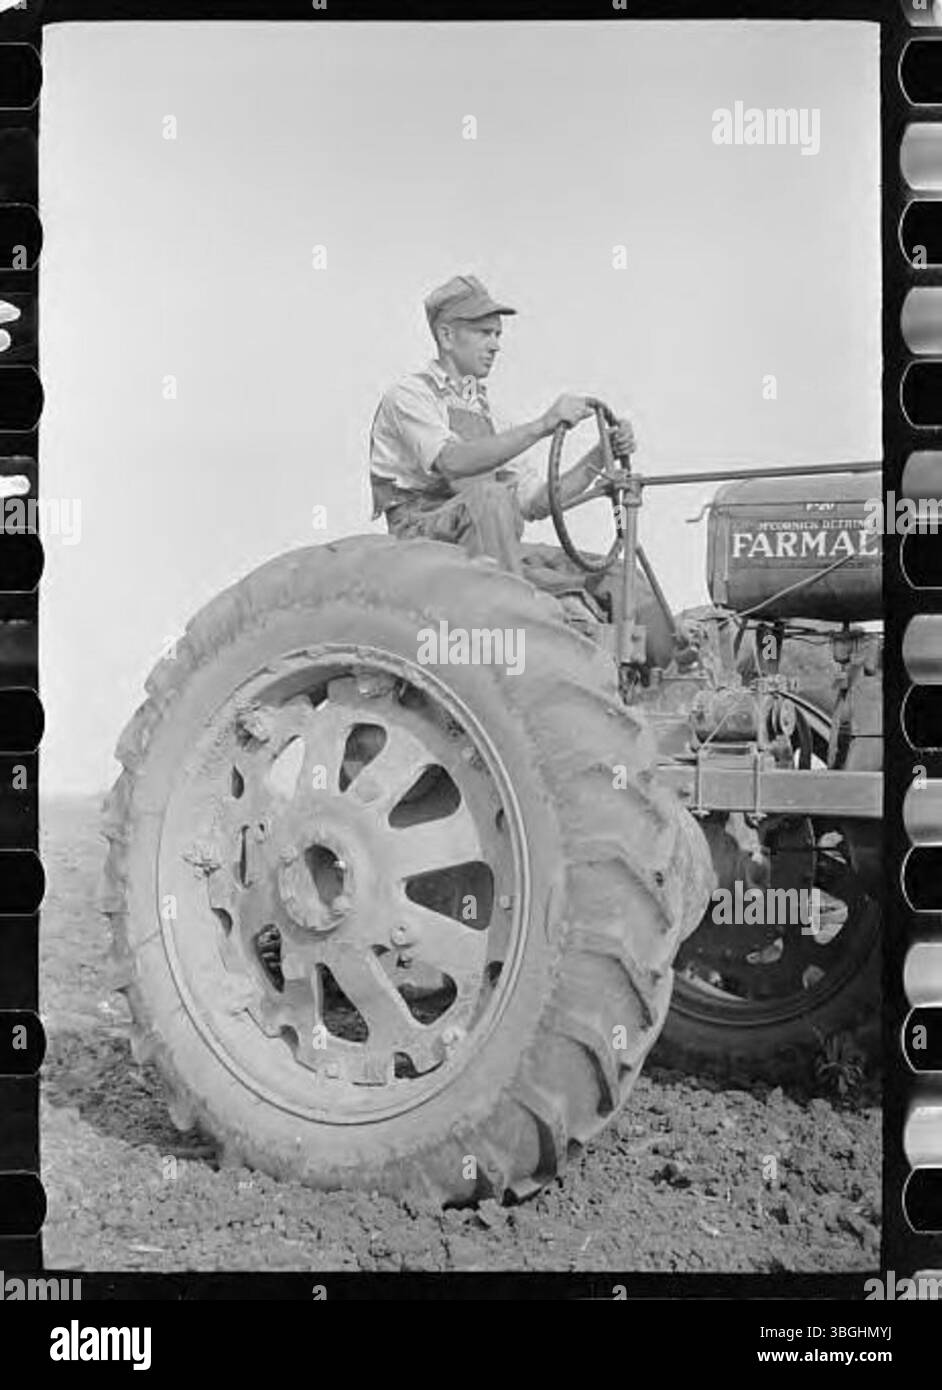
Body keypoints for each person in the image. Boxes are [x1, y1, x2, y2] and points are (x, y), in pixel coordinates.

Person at [369, 274, 635, 576]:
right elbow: (451, 461)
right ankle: (501, 611)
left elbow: (536, 502)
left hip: (488, 537)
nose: (496, 346)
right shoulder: (410, 396)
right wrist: (543, 425)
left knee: (620, 576)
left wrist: (600, 455)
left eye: (497, 335)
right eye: (484, 333)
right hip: (423, 537)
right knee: (493, 498)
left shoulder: (493, 416)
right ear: (446, 336)